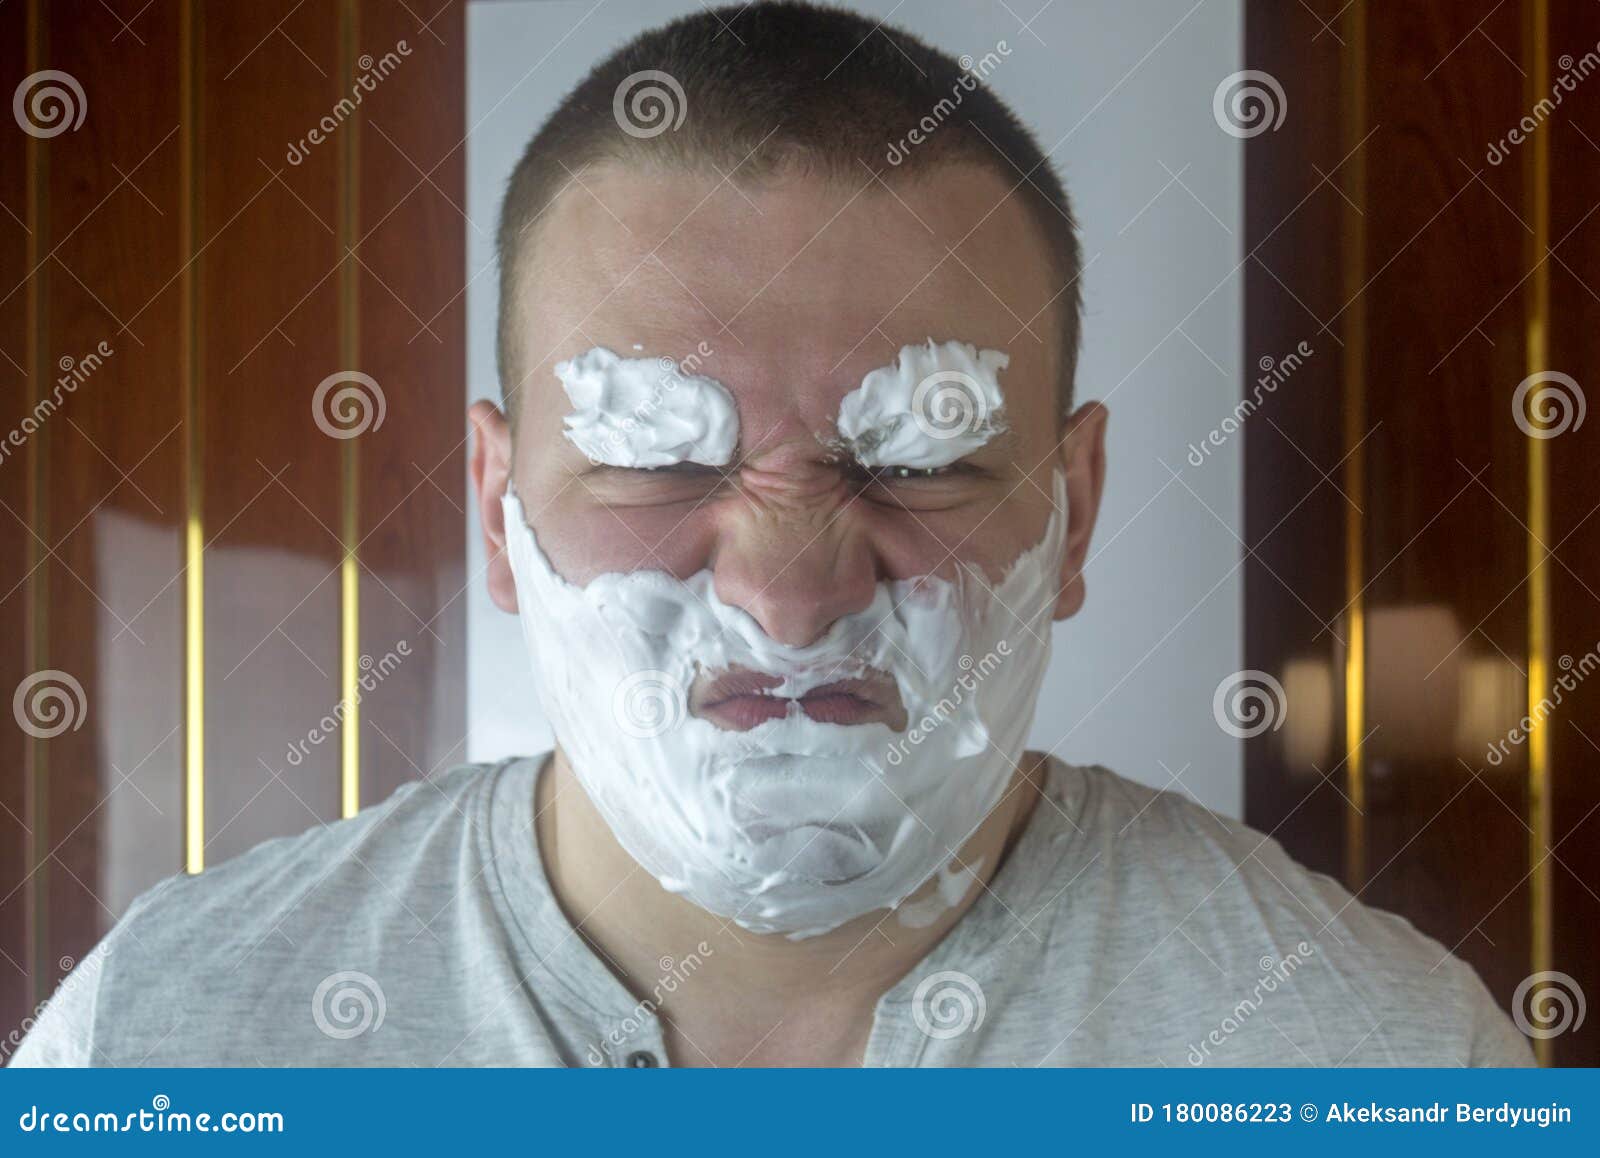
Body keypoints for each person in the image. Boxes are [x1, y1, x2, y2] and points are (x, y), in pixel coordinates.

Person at [12, 0, 1529, 1068]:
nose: (789, 591)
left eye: (922, 460)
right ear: (495, 505)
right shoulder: (164, 1047)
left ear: (1072, 514)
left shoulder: (1383, 1064)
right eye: (653, 460)